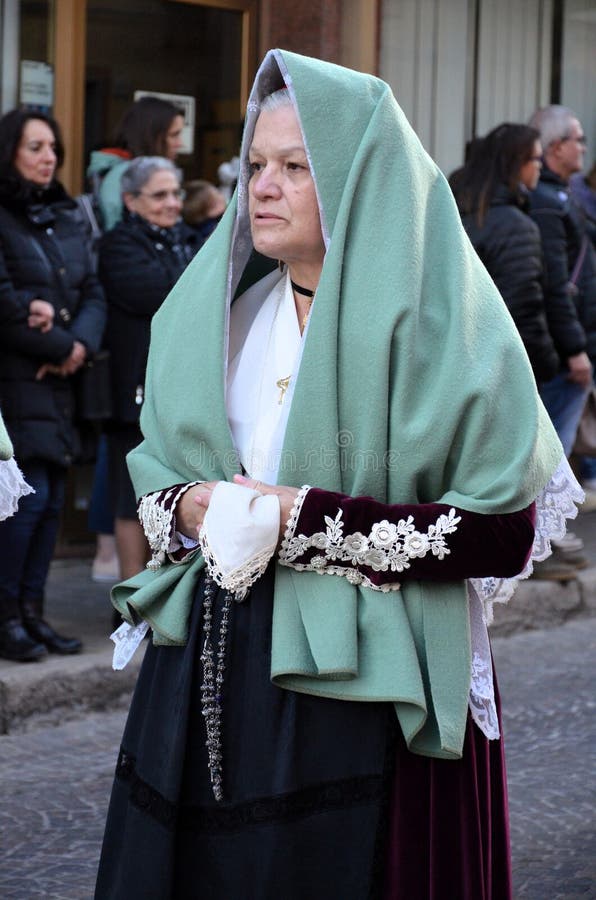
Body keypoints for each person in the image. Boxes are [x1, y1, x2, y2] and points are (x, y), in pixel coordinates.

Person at [95, 51, 581, 900]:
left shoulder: (445, 332)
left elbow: (502, 532)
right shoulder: (220, 317)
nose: (263, 189)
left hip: (366, 689)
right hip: (219, 671)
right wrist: (190, 503)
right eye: (254, 166)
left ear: (361, 181)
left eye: (294, 167)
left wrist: (306, 521)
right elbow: (160, 480)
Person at [0, 109, 106, 662]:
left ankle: (32, 616)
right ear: (10, 151)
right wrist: (56, 342)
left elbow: (92, 290)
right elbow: (6, 303)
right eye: (35, 147)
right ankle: (8, 618)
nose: (48, 158)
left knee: (53, 499)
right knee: (26, 503)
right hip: (16, 383)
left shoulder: (64, 215)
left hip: (60, 383)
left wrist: (75, 345)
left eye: (53, 148)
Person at [98, 157, 201, 585]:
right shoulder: (118, 244)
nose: (172, 204)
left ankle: (165, 592)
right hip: (134, 390)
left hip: (181, 390)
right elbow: (164, 293)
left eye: (176, 193)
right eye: (159, 195)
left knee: (173, 494)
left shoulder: (186, 240)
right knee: (131, 497)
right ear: (130, 200)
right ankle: (130, 606)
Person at [528, 105, 596, 536]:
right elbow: (555, 281)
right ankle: (543, 536)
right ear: (556, 146)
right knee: (552, 445)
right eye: (579, 139)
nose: (584, 148)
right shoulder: (549, 203)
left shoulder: (562, 195)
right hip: (561, 350)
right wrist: (574, 350)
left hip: (570, 342)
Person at [450, 122, 558, 384]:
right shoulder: (516, 226)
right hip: (504, 370)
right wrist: (547, 364)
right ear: (517, 164)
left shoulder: (455, 208)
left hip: (457, 360)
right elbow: (523, 308)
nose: (541, 166)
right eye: (536, 159)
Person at [87, 96, 185, 231]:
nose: (180, 144)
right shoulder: (121, 176)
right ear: (152, 136)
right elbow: (114, 233)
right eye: (174, 135)